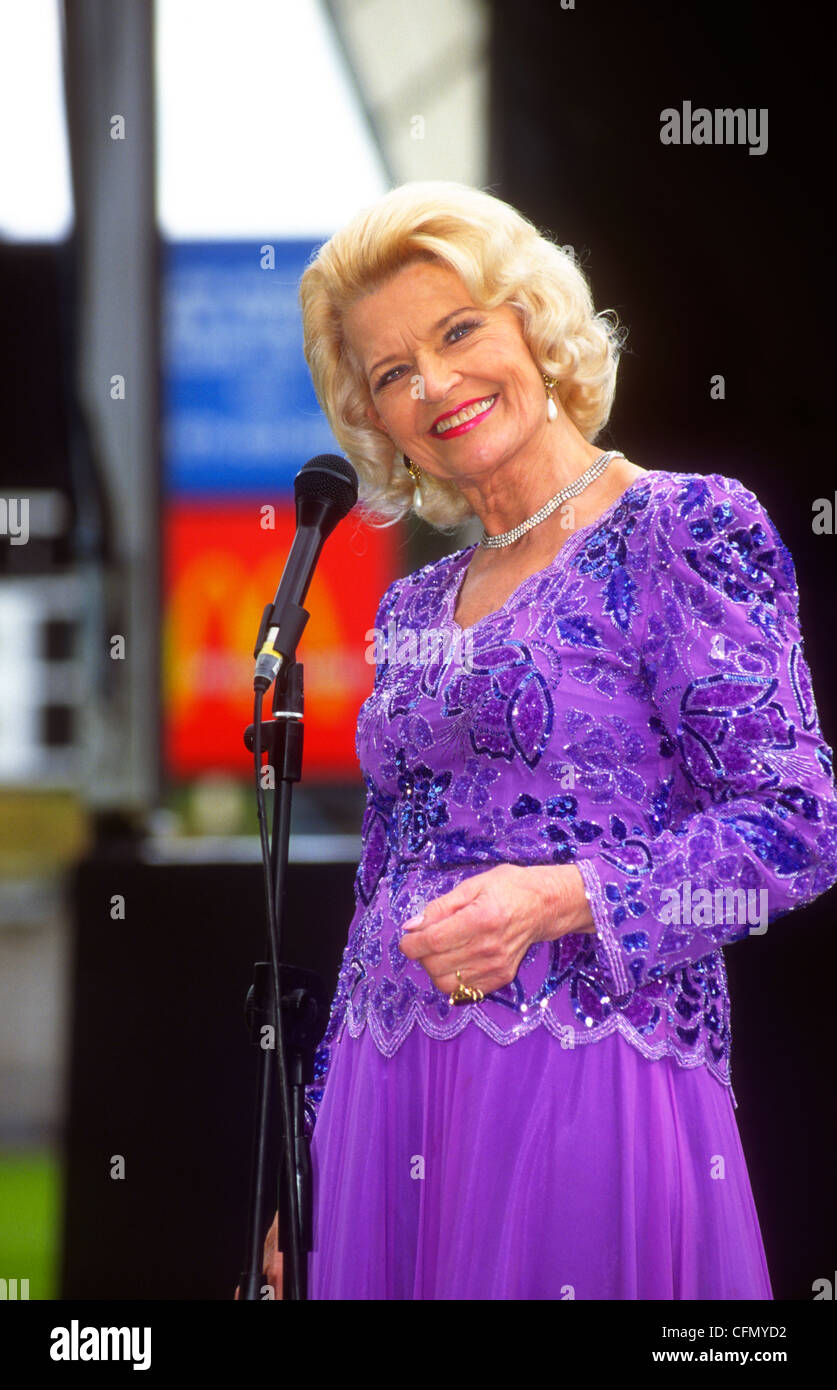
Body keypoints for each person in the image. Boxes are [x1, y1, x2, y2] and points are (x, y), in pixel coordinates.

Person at [262, 181, 837, 1299]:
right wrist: (308, 1175)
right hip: (390, 1106)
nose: (435, 385)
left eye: (458, 329)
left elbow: (797, 825)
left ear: (533, 317)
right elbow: (382, 879)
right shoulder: (412, 608)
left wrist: (558, 897)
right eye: (392, 374)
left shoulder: (683, 527)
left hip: (587, 1088)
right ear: (374, 418)